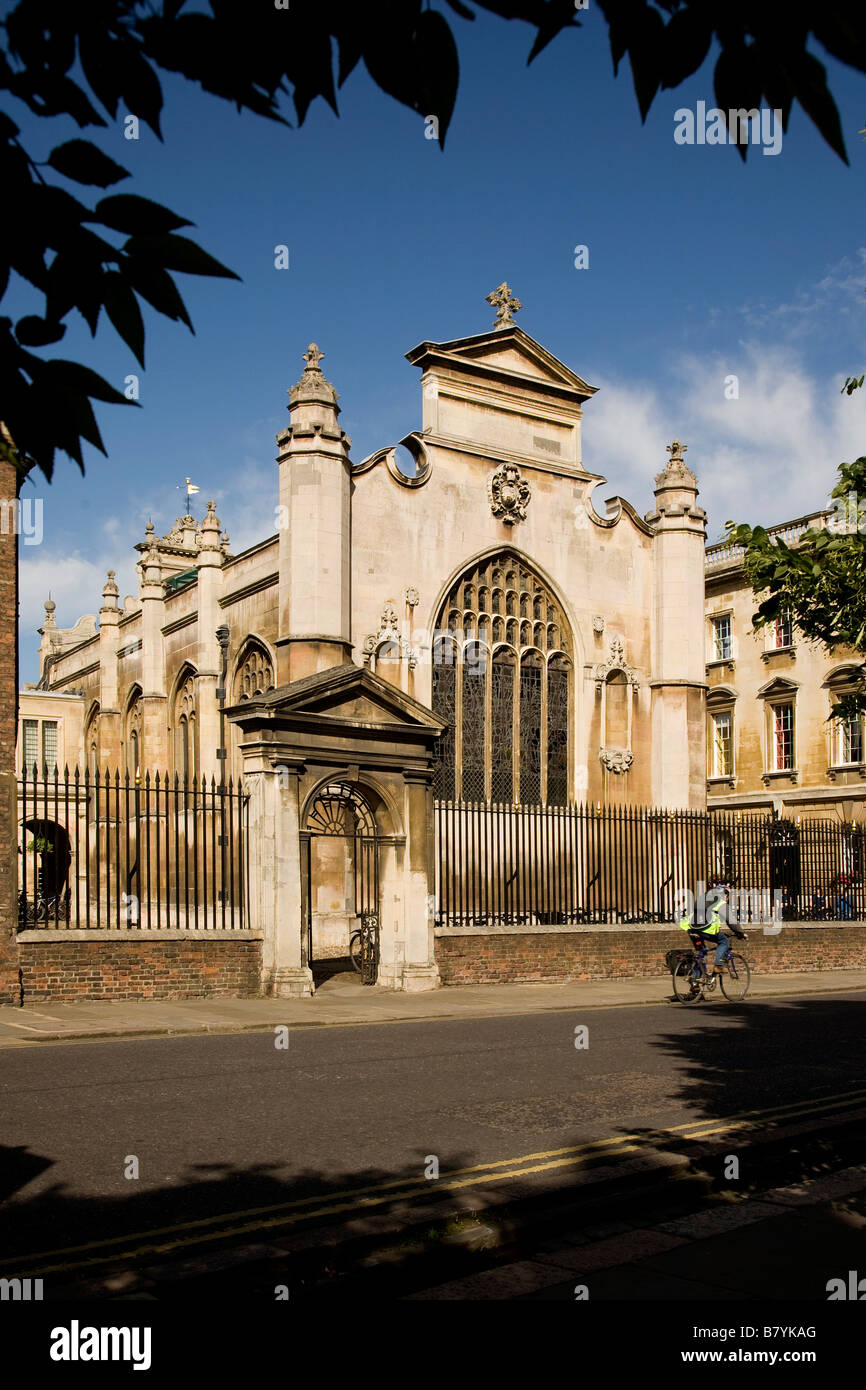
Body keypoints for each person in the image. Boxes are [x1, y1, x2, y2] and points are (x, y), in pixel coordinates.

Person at [678, 883, 746, 988]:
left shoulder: (704, 899)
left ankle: (695, 982)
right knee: (724, 942)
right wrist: (740, 933)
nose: (727, 899)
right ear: (725, 894)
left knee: (701, 953)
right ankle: (718, 965)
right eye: (728, 896)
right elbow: (731, 921)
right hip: (706, 928)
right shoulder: (720, 902)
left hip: (692, 928)